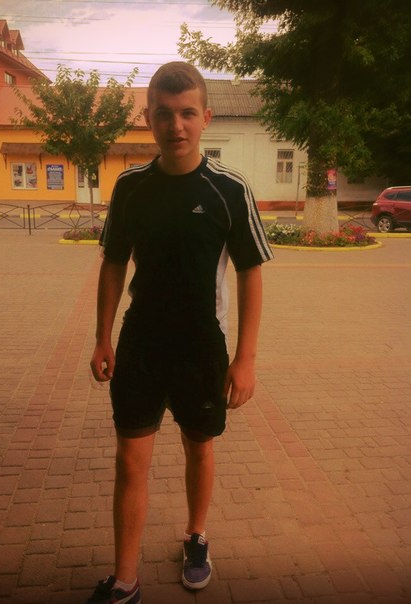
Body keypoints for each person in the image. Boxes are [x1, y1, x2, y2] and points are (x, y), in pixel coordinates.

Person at [88, 61, 273, 604]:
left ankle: (196, 537)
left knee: (200, 448)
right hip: (140, 343)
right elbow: (113, 263)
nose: (176, 125)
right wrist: (102, 337)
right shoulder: (130, 187)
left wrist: (246, 358)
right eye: (164, 114)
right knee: (130, 461)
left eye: (188, 113)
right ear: (148, 118)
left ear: (206, 118)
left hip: (202, 346)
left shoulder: (229, 189)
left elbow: (251, 272)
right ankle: (125, 581)